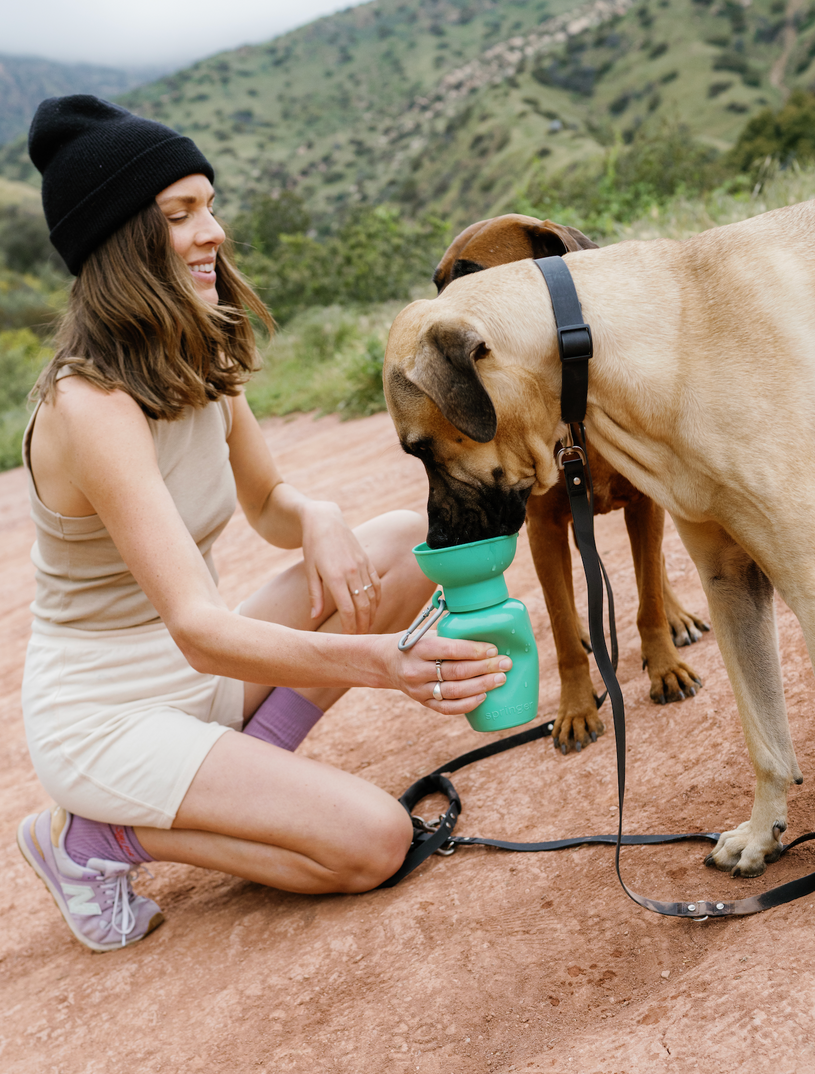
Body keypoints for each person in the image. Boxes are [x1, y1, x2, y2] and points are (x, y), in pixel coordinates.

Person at [16, 96, 512, 953]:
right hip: (108, 720)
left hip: (195, 681)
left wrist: (315, 513)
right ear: (119, 242)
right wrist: (381, 666)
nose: (212, 231)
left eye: (208, 203)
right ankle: (90, 838)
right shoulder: (88, 405)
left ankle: (247, 771)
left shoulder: (201, 346)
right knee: (372, 843)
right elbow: (201, 631)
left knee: (394, 546)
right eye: (180, 214)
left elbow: (265, 505)